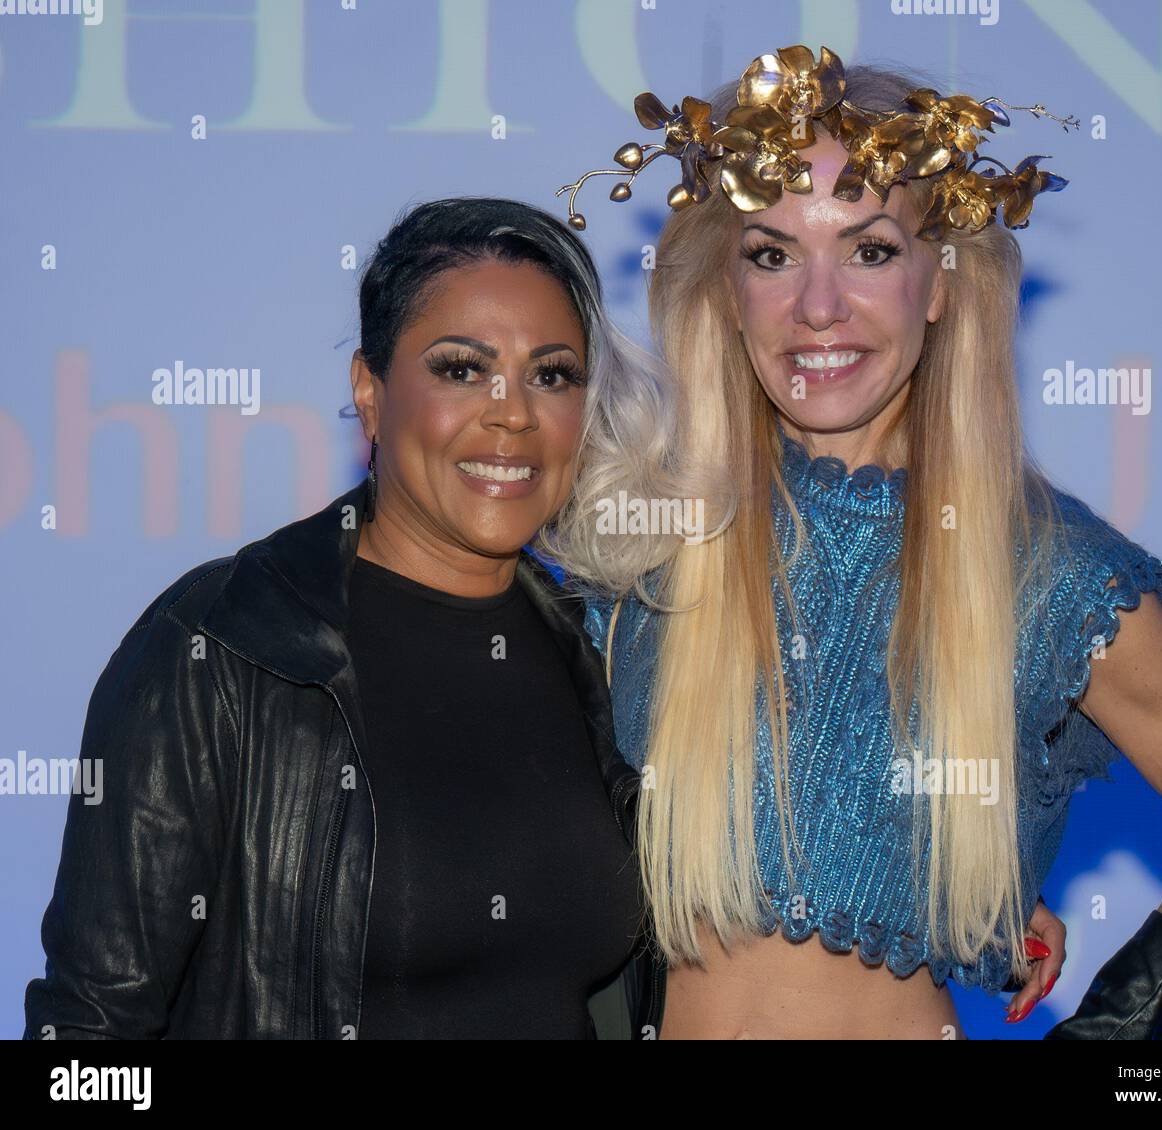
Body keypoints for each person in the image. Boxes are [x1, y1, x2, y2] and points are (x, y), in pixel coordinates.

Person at [567, 46, 1162, 1038]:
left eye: (869, 250)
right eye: (772, 254)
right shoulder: (643, 535)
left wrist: (1109, 1034)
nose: (817, 306)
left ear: (941, 283)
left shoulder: (1046, 571)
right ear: (726, 293)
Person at [23, 197, 685, 1039]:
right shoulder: (223, 644)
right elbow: (85, 1038)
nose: (512, 412)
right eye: (459, 368)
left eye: (551, 373)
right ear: (370, 394)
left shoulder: (601, 647)